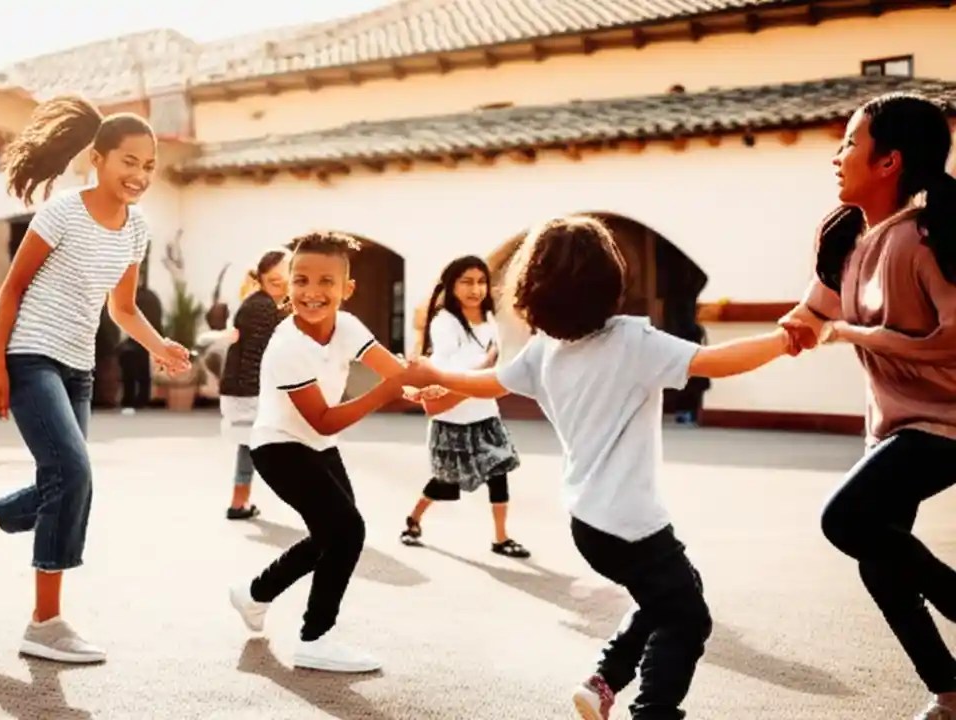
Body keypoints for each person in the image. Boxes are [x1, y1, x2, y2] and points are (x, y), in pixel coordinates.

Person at [409, 215, 812, 719]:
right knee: (687, 618)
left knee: (666, 595)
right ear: (613, 282)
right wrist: (784, 340)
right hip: (632, 522)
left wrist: (435, 376)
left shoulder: (543, 350)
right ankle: (652, 711)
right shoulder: (632, 342)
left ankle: (603, 682)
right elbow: (717, 361)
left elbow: (489, 382)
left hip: (588, 522)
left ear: (532, 291)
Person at [0, 96, 190, 664]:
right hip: (31, 355)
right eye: (129, 161)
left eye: (149, 167)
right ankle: (45, 623)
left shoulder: (136, 228)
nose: (140, 176)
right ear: (97, 159)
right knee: (72, 473)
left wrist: (160, 346)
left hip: (79, 366)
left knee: (62, 482)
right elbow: (12, 289)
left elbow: (122, 308)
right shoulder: (63, 212)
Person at [779, 92, 956, 720]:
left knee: (845, 520)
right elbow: (812, 314)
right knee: (880, 563)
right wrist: (791, 330)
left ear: (889, 162)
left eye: (851, 142)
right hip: (894, 425)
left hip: (947, 423)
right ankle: (951, 691)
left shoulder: (932, 234)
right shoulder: (846, 234)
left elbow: (952, 335)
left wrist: (850, 334)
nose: (838, 154)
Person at [227, 231, 429, 674]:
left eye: (325, 282)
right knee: (347, 531)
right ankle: (316, 638)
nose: (311, 292)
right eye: (300, 280)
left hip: (318, 446)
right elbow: (324, 418)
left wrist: (419, 388)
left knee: (332, 535)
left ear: (346, 289)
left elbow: (392, 370)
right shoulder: (286, 347)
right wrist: (389, 392)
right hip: (279, 447)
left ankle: (255, 594)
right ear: (287, 285)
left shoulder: (348, 325)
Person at [397, 255, 529, 558]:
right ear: (452, 285)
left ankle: (501, 538)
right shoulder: (445, 323)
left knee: (499, 472)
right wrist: (488, 363)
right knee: (445, 484)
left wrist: (495, 365)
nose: (476, 289)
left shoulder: (491, 320)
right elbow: (450, 369)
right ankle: (414, 518)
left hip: (486, 414)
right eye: (467, 282)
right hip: (453, 419)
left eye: (481, 281)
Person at [218, 249, 291, 520]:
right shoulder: (263, 307)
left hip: (243, 389)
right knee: (271, 447)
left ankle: (239, 503)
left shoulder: (261, 303)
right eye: (274, 276)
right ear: (261, 276)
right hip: (250, 390)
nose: (281, 280)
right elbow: (264, 355)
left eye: (286, 275)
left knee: (251, 446)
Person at [118, 284, 163, 415]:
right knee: (143, 369)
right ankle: (143, 398)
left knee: (129, 371)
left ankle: (128, 400)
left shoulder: (131, 296)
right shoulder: (152, 297)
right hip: (148, 337)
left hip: (133, 337)